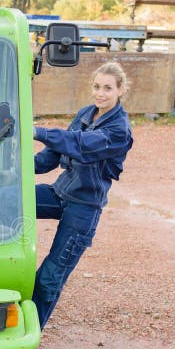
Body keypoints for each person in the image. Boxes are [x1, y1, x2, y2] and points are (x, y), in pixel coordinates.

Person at [30, 62, 133, 329]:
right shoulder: (86, 113)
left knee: (50, 276)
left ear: (120, 90)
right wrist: (14, 168)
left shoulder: (119, 130)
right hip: (61, 192)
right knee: (8, 200)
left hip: (84, 207)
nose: (100, 93)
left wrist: (38, 131)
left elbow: (79, 145)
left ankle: (29, 334)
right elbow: (51, 156)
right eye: (97, 87)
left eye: (108, 88)